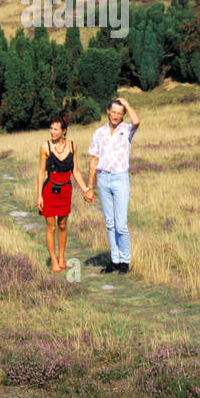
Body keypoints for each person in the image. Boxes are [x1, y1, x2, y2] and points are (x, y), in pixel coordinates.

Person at [86, 97, 141, 274]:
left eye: (120, 112)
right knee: (110, 223)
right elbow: (94, 160)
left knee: (121, 224)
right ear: (108, 112)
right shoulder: (99, 133)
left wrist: (127, 104)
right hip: (103, 179)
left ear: (123, 114)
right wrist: (90, 186)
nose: (116, 116)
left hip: (120, 179)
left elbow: (137, 121)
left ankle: (125, 261)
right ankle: (114, 260)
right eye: (113, 112)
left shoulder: (126, 130)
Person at [36, 117, 91, 273]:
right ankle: (53, 260)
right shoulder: (45, 147)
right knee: (51, 227)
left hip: (66, 190)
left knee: (62, 225)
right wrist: (39, 195)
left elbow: (75, 171)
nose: (52, 132)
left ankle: (61, 257)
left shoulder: (73, 146)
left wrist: (86, 189)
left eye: (56, 129)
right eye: (51, 128)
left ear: (64, 131)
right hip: (49, 190)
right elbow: (41, 172)